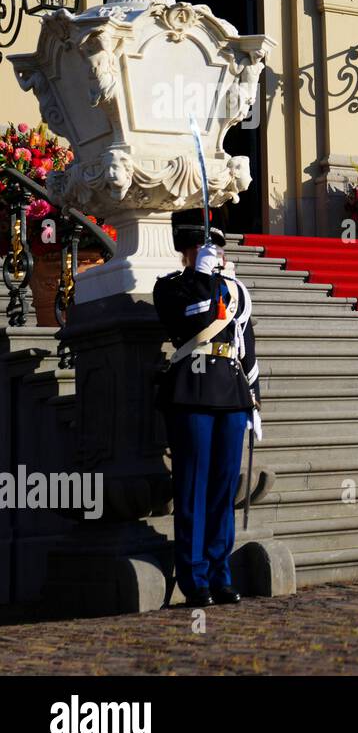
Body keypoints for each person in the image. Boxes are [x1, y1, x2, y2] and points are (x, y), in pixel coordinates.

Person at [153, 219, 260, 607]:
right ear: (188, 252)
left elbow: (246, 348)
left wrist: (255, 402)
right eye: (204, 249)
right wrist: (200, 278)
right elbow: (192, 318)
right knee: (193, 488)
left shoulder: (237, 292)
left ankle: (220, 573)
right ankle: (193, 576)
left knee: (221, 491)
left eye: (216, 249)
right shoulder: (171, 287)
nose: (214, 255)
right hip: (192, 391)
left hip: (231, 394)